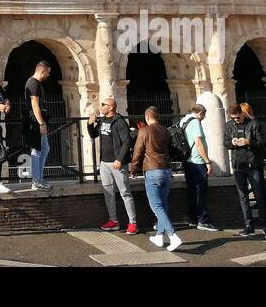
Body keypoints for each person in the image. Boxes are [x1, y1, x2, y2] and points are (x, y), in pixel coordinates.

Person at [129, 106, 182, 252]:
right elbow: (171, 150)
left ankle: (172, 236)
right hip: (166, 170)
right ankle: (159, 236)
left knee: (156, 206)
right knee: (163, 205)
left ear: (147, 117)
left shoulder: (144, 131)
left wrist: (133, 169)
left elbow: (138, 152)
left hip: (153, 171)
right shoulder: (165, 131)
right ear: (157, 117)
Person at [89, 97, 137, 234]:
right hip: (104, 163)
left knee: (125, 193)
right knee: (108, 192)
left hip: (117, 164)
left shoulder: (120, 122)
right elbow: (93, 135)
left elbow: (126, 142)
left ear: (111, 107)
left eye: (103, 105)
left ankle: (133, 223)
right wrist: (89, 124)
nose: (101, 106)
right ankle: (113, 221)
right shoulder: (103, 120)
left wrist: (119, 159)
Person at [225, 102, 266, 238]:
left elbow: (262, 143)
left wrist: (248, 142)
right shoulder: (229, 126)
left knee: (259, 196)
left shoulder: (253, 124)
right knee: (243, 196)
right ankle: (248, 225)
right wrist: (232, 143)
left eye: (237, 117)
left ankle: (265, 226)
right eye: (233, 118)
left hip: (252, 164)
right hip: (238, 164)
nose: (236, 120)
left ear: (241, 113)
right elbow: (225, 142)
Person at [181, 103, 217, 230]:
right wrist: (207, 161)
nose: (204, 118)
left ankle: (193, 218)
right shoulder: (195, 122)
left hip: (187, 160)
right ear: (200, 113)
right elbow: (198, 142)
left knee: (191, 190)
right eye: (204, 115)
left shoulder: (184, 120)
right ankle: (202, 220)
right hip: (197, 161)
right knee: (201, 191)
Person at [23, 60, 52, 191]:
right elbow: (35, 105)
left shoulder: (35, 83)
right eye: (47, 72)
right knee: (37, 150)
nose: (48, 75)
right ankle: (36, 180)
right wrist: (41, 124)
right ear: (42, 71)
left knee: (45, 148)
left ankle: (39, 177)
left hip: (38, 121)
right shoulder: (33, 84)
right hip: (35, 122)